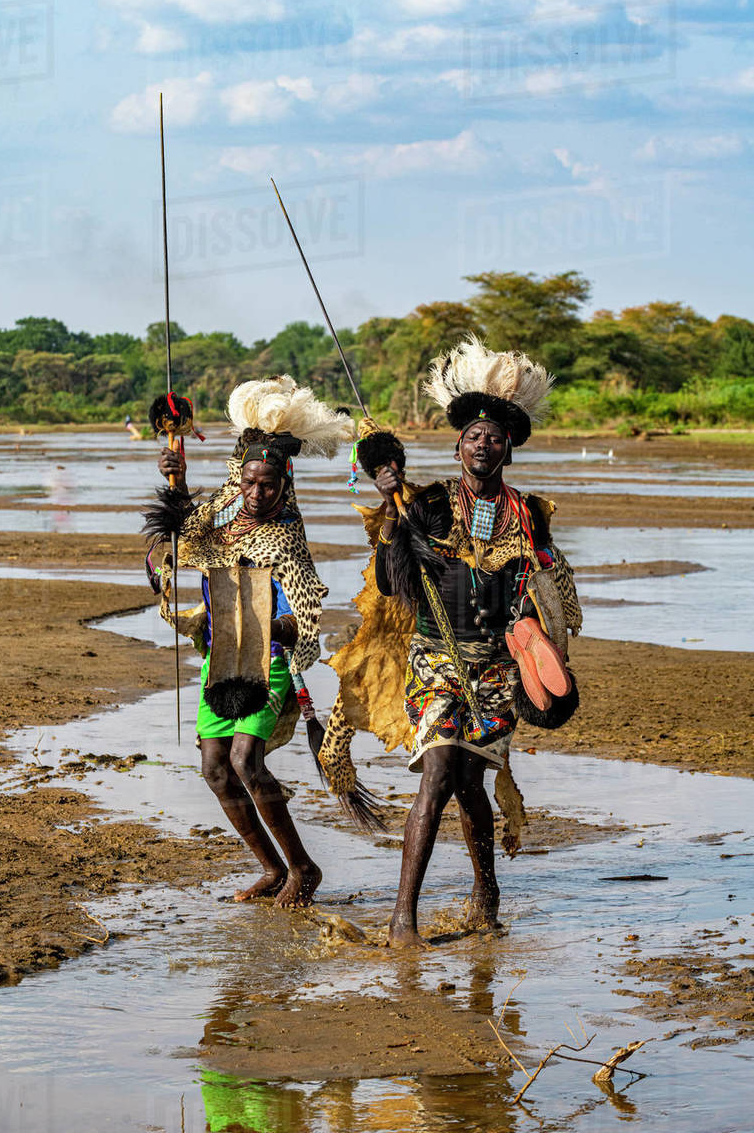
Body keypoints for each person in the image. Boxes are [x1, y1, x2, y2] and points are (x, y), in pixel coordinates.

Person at [319, 336, 582, 946]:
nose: (482, 444)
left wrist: (549, 661)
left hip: (497, 669)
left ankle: (485, 891)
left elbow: (547, 589)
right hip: (436, 658)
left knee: (471, 781)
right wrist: (391, 509)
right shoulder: (429, 504)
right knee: (437, 774)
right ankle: (403, 918)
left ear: (508, 448)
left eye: (493, 437)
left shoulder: (529, 516)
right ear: (458, 445)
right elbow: (389, 580)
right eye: (472, 436)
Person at [145, 376, 352, 908]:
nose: (259, 494)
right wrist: (177, 480)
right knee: (215, 768)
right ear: (240, 478)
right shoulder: (221, 529)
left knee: (245, 761)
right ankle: (274, 868)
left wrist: (268, 624)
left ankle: (304, 870)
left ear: (284, 485)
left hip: (269, 664)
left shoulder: (285, 537)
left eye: (270, 485)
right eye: (252, 483)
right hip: (221, 662)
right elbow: (178, 543)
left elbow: (305, 617)